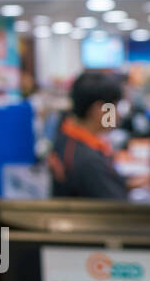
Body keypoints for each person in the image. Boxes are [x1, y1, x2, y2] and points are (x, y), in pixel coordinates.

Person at [47, 71, 129, 199]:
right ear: (98, 110)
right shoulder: (89, 160)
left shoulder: (66, 136)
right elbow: (116, 205)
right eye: (114, 107)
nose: (118, 115)